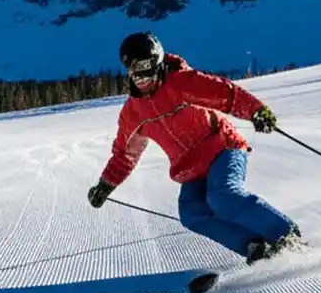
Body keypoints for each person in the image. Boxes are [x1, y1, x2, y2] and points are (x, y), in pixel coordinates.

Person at [88, 31, 304, 264]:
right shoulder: (133, 113)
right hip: (190, 169)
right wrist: (105, 185)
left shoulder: (181, 82)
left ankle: (287, 237)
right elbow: (124, 155)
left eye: (144, 65)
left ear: (157, 61)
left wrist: (256, 111)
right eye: (132, 68)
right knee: (192, 214)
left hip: (222, 148)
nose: (139, 75)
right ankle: (254, 247)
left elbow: (225, 94)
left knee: (223, 196)